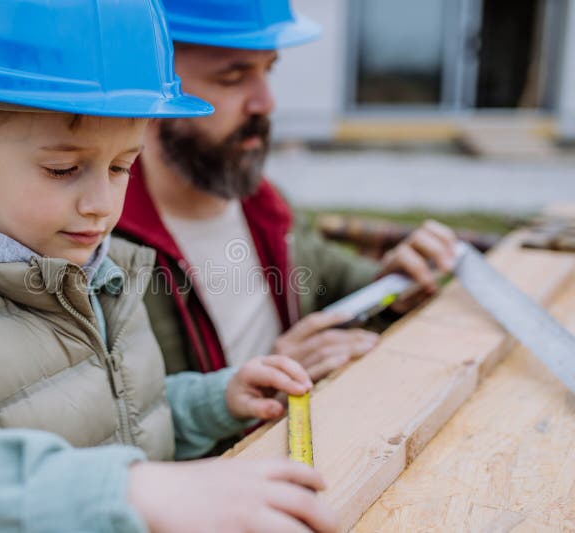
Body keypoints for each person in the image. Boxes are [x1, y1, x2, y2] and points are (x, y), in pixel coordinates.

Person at [0, 1, 338, 532]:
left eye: (120, 166)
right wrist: (132, 491)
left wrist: (215, 400)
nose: (102, 204)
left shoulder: (96, 274)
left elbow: (119, 413)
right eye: (64, 168)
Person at [116, 0, 459, 378]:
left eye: (268, 70)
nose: (266, 102)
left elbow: (331, 277)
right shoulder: (100, 250)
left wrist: (391, 284)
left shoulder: (264, 205)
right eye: (232, 77)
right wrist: (251, 391)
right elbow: (123, 425)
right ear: (149, 88)